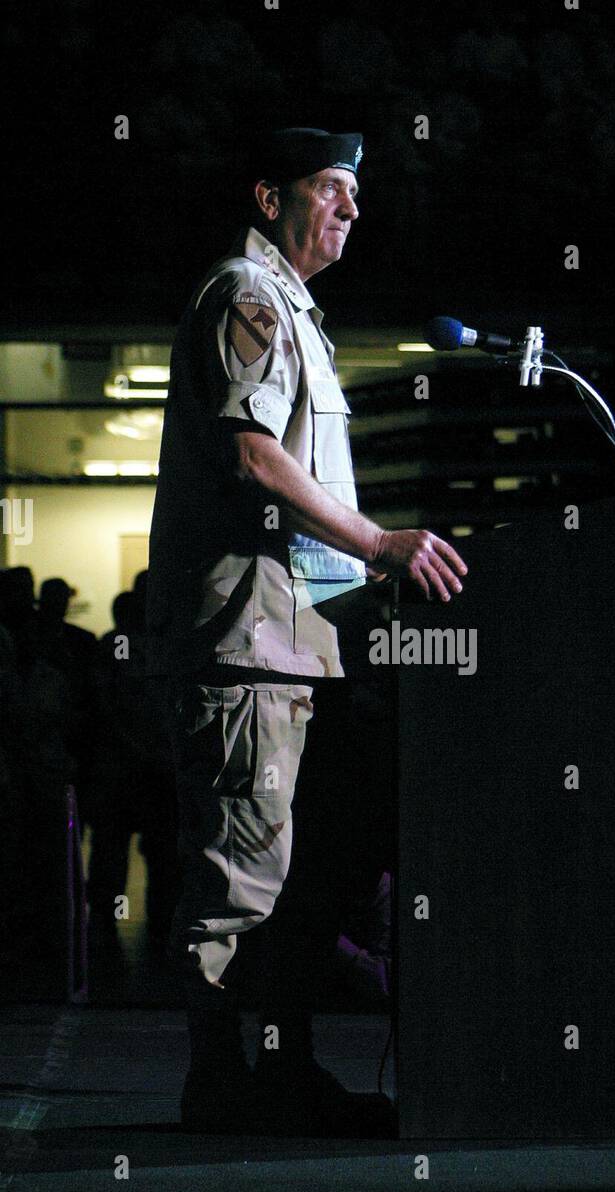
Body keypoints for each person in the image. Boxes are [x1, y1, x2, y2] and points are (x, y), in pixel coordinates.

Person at [146, 127, 467, 1136]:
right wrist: (379, 542)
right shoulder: (245, 295)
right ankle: (222, 1083)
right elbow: (252, 458)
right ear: (270, 195)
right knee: (240, 878)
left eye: (356, 194)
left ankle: (271, 1073)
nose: (351, 209)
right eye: (331, 189)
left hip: (293, 645)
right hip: (246, 646)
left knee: (282, 882)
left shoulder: (293, 311)